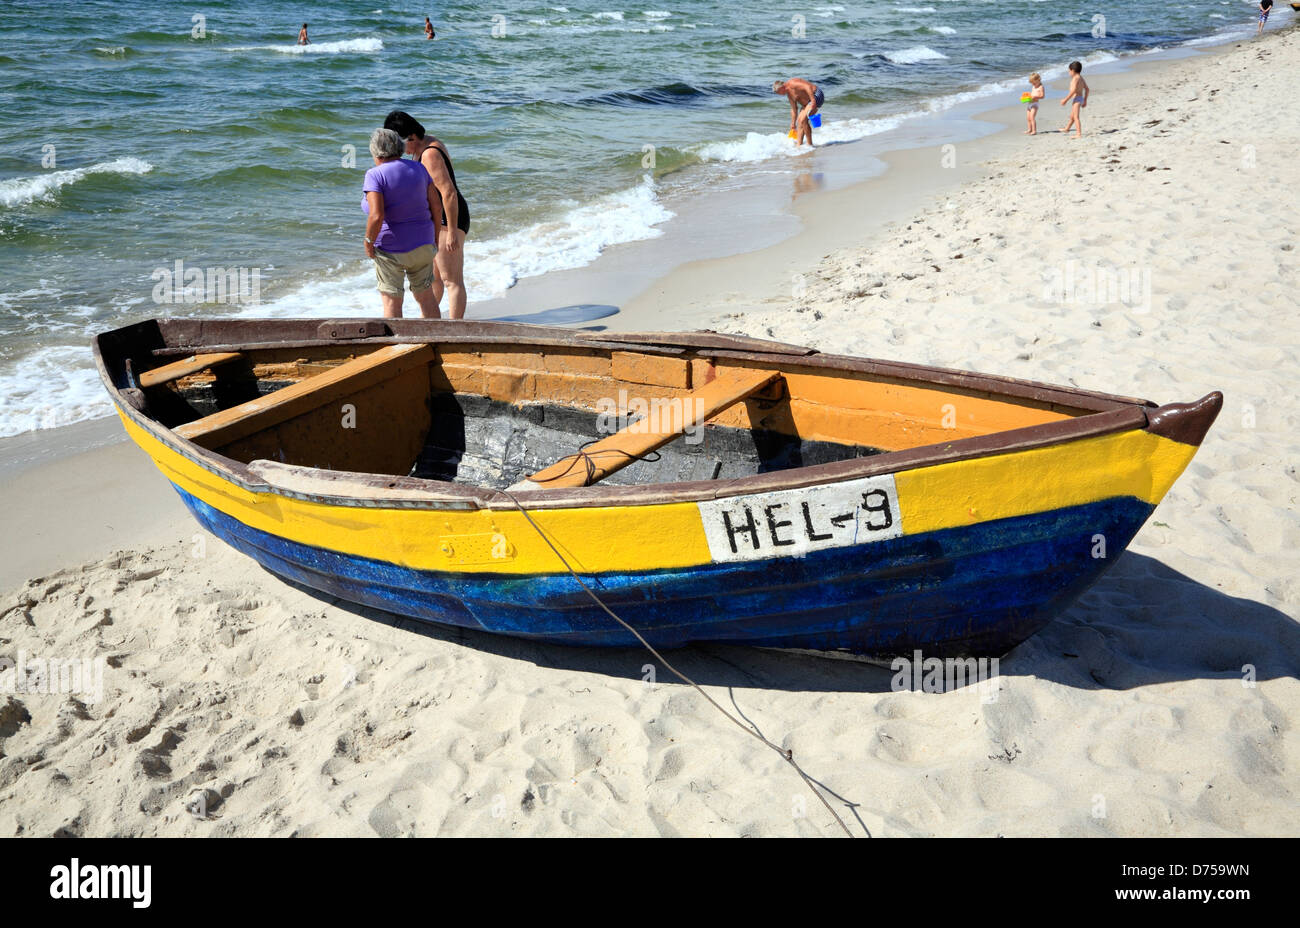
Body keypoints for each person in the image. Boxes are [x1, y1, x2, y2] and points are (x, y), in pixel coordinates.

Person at [384, 110, 470, 319]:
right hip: (438, 219)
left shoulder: (430, 154)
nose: (399, 149)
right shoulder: (426, 144)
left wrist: (450, 232)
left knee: (452, 280)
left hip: (449, 218)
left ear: (411, 137)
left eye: (399, 143)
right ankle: (430, 323)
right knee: (435, 278)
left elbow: (448, 192)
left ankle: (454, 331)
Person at [362, 128, 443, 319]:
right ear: (399, 147)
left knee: (392, 301)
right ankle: (435, 340)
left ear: (375, 151)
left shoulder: (375, 175)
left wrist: (368, 242)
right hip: (423, 244)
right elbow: (437, 207)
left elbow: (376, 215)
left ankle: (396, 345)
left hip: (391, 250)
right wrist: (435, 238)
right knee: (426, 297)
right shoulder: (419, 168)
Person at [773, 78, 823, 147]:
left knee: (803, 120)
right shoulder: (789, 95)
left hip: (816, 95)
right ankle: (799, 146)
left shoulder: (792, 83)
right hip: (807, 102)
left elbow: (807, 87)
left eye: (779, 92)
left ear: (782, 87)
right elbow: (794, 109)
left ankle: (810, 144)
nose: (780, 95)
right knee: (799, 121)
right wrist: (793, 123)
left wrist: (813, 100)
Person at [1059, 61, 1089, 138]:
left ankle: (1078, 134)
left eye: (1069, 71)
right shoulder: (1081, 77)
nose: (1069, 73)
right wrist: (1085, 100)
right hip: (1080, 98)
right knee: (1072, 116)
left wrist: (1065, 99)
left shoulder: (1075, 78)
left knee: (1076, 117)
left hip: (1077, 99)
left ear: (1072, 70)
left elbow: (1073, 91)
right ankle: (1067, 128)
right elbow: (1087, 89)